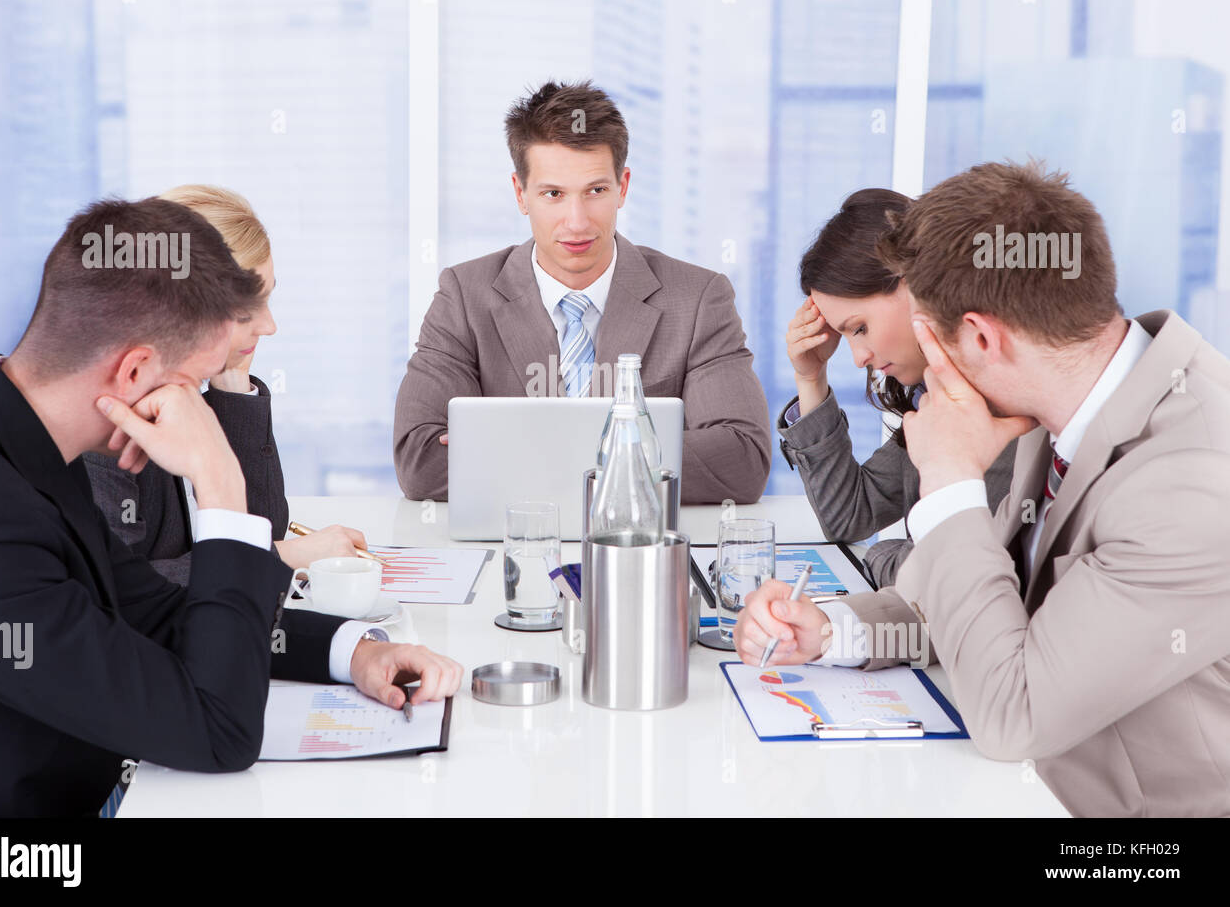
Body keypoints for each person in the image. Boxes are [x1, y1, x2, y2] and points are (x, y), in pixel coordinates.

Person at [0, 196, 462, 817]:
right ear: (134, 374)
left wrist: (355, 652)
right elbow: (219, 732)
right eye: (195, 382)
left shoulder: (12, 428)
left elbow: (156, 616)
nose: (199, 411)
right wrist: (219, 480)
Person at [735, 160, 1230, 817]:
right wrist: (832, 633)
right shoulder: (1056, 403)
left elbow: (1013, 714)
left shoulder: (1189, 483)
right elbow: (979, 611)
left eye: (930, 336)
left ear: (979, 337)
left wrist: (948, 484)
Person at [393, 79, 772, 504]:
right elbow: (420, 463)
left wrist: (510, 455)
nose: (577, 222)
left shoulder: (699, 298)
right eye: (553, 194)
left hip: (636, 553)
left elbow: (741, 461)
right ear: (521, 194)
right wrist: (634, 455)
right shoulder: (464, 295)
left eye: (595, 191)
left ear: (622, 187)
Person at [82, 185, 365, 581]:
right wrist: (281, 558)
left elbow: (260, 527)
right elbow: (120, 591)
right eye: (248, 308)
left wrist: (232, 382)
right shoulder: (100, 414)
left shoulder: (166, 390)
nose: (270, 326)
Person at [778, 188, 1014, 587]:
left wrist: (885, 556)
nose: (857, 357)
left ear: (913, 285)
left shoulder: (998, 401)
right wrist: (811, 377)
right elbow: (849, 515)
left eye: (860, 328)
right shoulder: (934, 397)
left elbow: (949, 571)